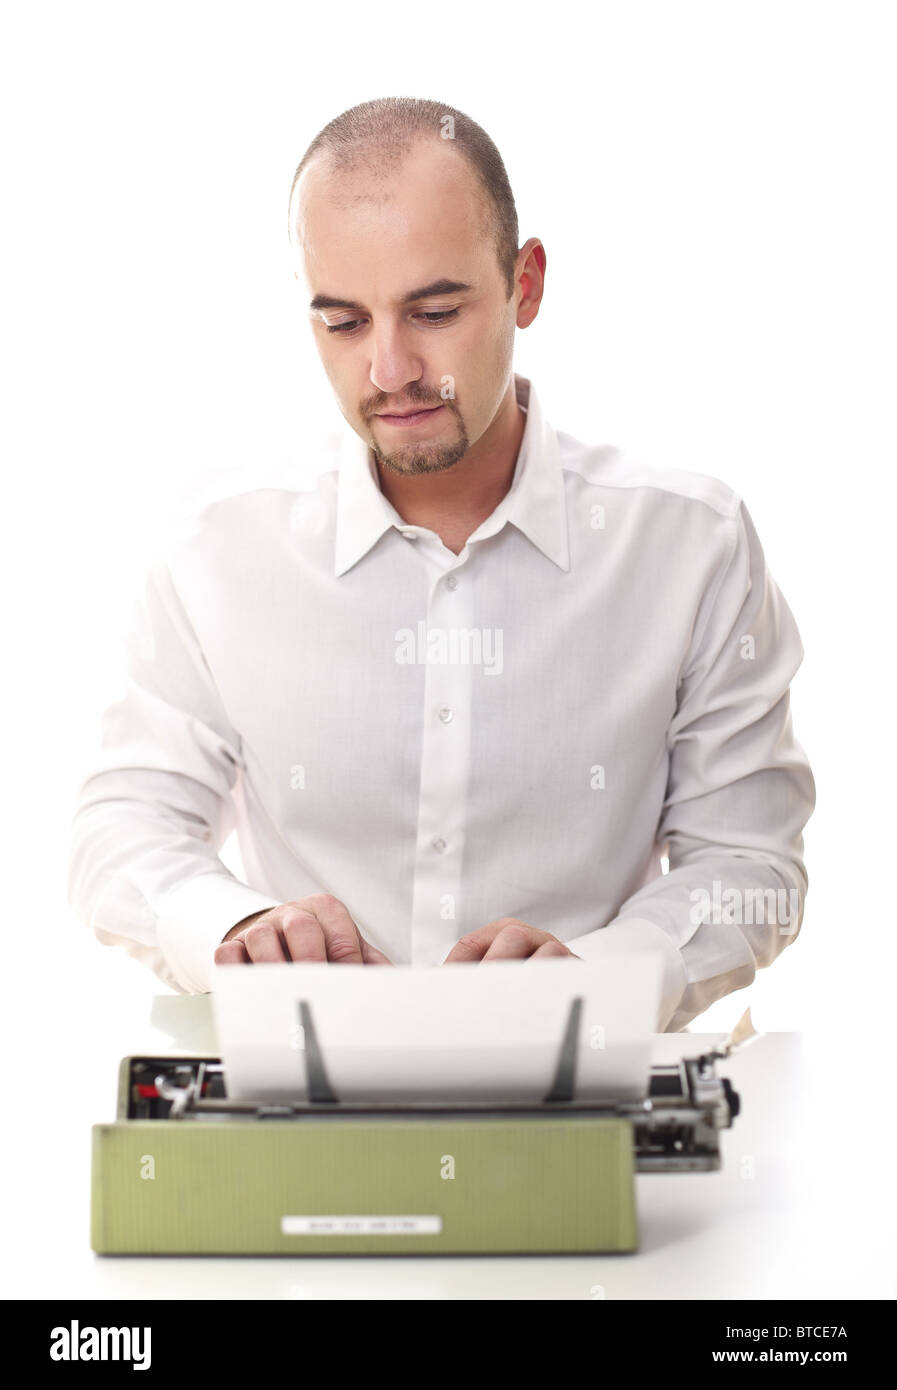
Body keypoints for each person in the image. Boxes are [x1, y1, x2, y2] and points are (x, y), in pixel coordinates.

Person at [67, 96, 815, 1031]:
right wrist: (239, 927)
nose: (389, 368)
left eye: (433, 310)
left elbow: (752, 865)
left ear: (525, 284)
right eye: (342, 323)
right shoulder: (215, 545)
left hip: (575, 1111)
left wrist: (597, 976)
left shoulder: (689, 543)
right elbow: (119, 833)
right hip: (298, 1108)